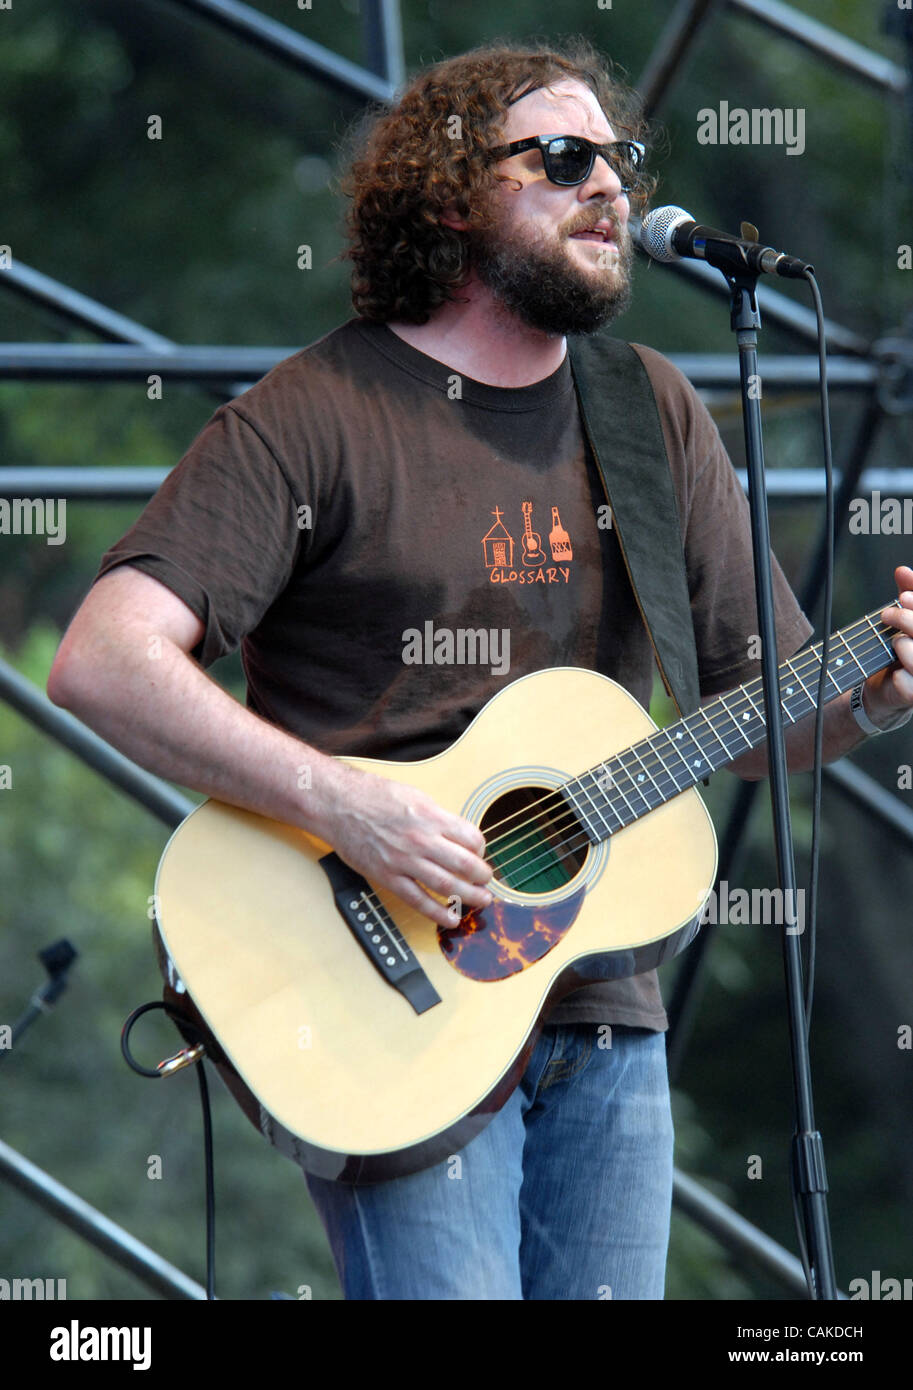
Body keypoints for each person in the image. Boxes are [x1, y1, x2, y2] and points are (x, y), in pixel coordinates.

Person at [47, 39, 913, 1301]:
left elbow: (761, 703)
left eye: (617, 158)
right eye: (561, 160)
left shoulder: (651, 411)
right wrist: (346, 803)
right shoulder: (313, 416)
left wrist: (870, 696)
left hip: (601, 1006)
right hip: (389, 999)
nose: (608, 185)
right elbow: (103, 660)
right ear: (451, 195)